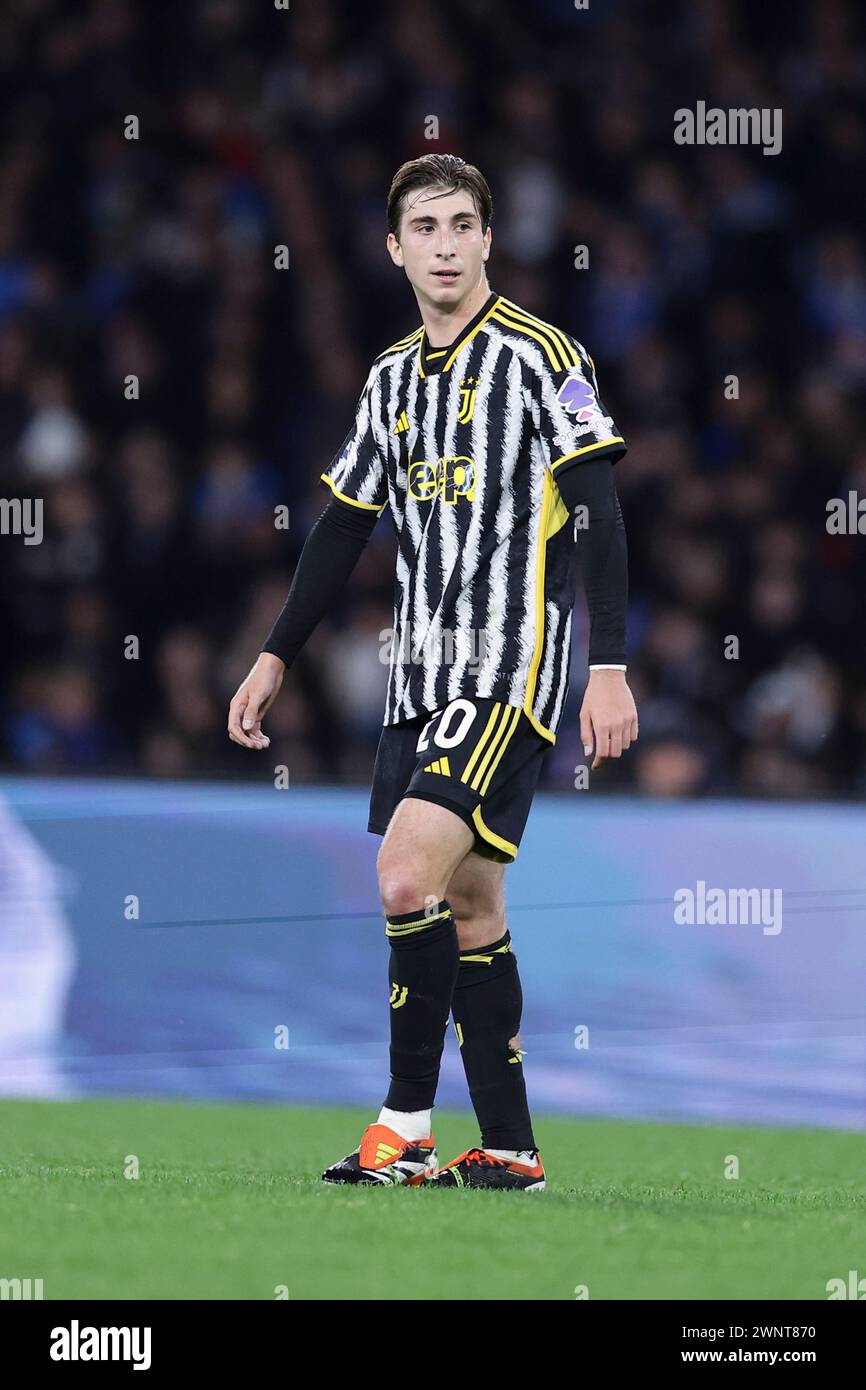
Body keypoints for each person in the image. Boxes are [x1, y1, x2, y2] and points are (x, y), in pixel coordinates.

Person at [227, 153, 638, 1191]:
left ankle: (403, 1128)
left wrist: (611, 663)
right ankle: (507, 1145)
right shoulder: (388, 380)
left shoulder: (545, 357)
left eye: (463, 224)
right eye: (426, 227)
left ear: (489, 239)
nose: (445, 244)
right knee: (467, 907)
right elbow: (340, 528)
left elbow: (595, 508)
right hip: (420, 679)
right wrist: (276, 654)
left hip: (508, 666)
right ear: (394, 247)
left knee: (403, 873)